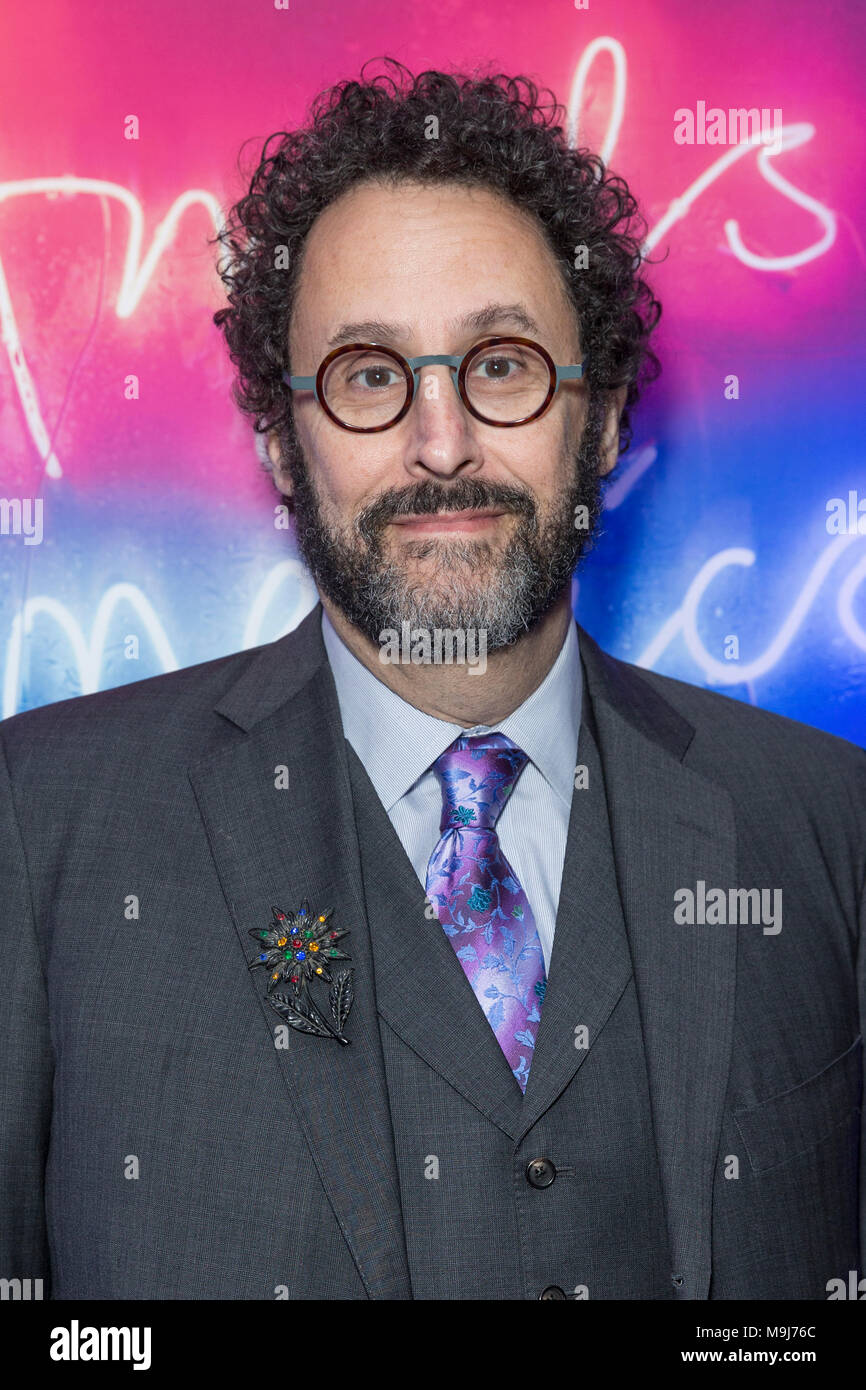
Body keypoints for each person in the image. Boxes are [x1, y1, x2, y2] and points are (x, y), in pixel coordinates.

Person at [1, 61, 863, 1302]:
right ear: (278, 445)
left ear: (604, 414)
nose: (441, 441)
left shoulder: (825, 822)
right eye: (366, 375)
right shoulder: (43, 825)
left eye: (501, 363)